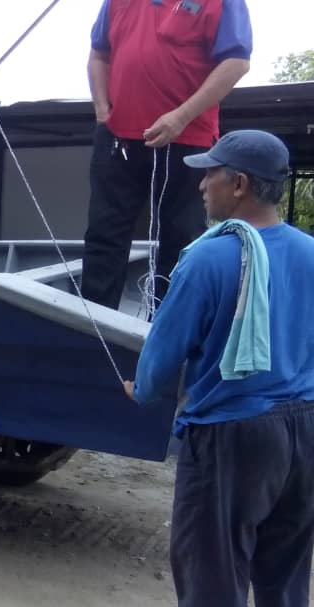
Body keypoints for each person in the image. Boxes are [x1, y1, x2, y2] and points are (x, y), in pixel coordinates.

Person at [124, 131, 314, 606]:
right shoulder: (310, 252)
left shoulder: (209, 256)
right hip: (307, 430)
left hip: (233, 435)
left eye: (211, 172)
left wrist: (142, 390)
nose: (202, 184)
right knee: (286, 580)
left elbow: (161, 358)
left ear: (240, 184)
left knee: (213, 579)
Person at [82, 0, 252, 309]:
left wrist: (181, 116)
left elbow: (237, 62)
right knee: (104, 235)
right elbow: (99, 53)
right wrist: (101, 109)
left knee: (181, 237)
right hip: (118, 137)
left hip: (188, 137)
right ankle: (94, 333)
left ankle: (169, 337)